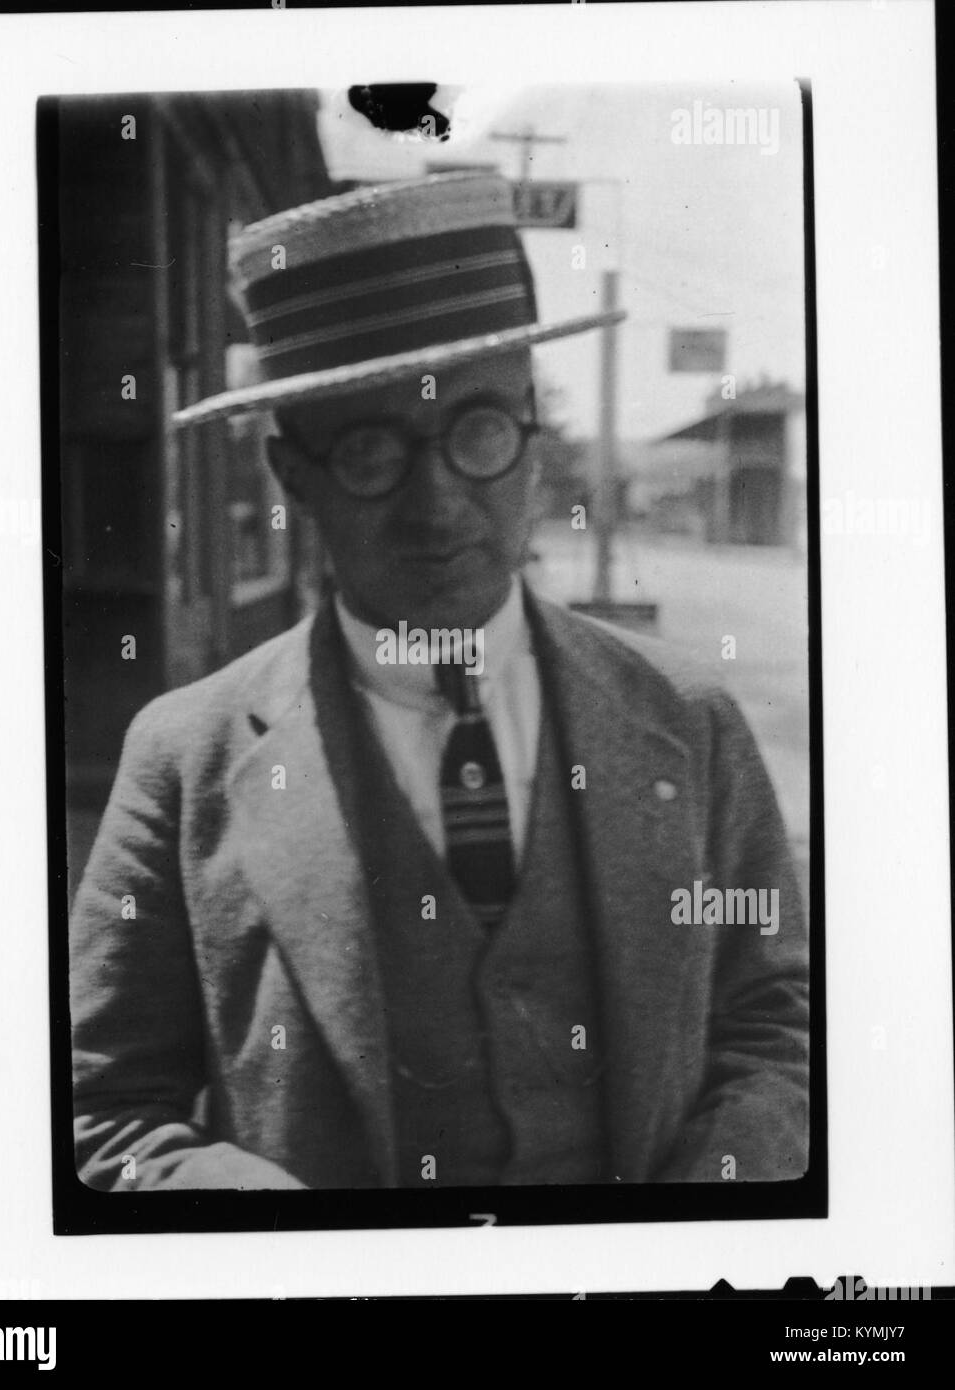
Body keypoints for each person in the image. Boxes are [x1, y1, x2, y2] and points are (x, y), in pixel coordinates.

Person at [70, 172, 809, 1191]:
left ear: (534, 445)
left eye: (478, 432)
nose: (437, 503)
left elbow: (775, 1027)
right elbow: (101, 1107)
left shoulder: (690, 723)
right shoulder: (183, 758)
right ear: (295, 481)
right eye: (371, 449)